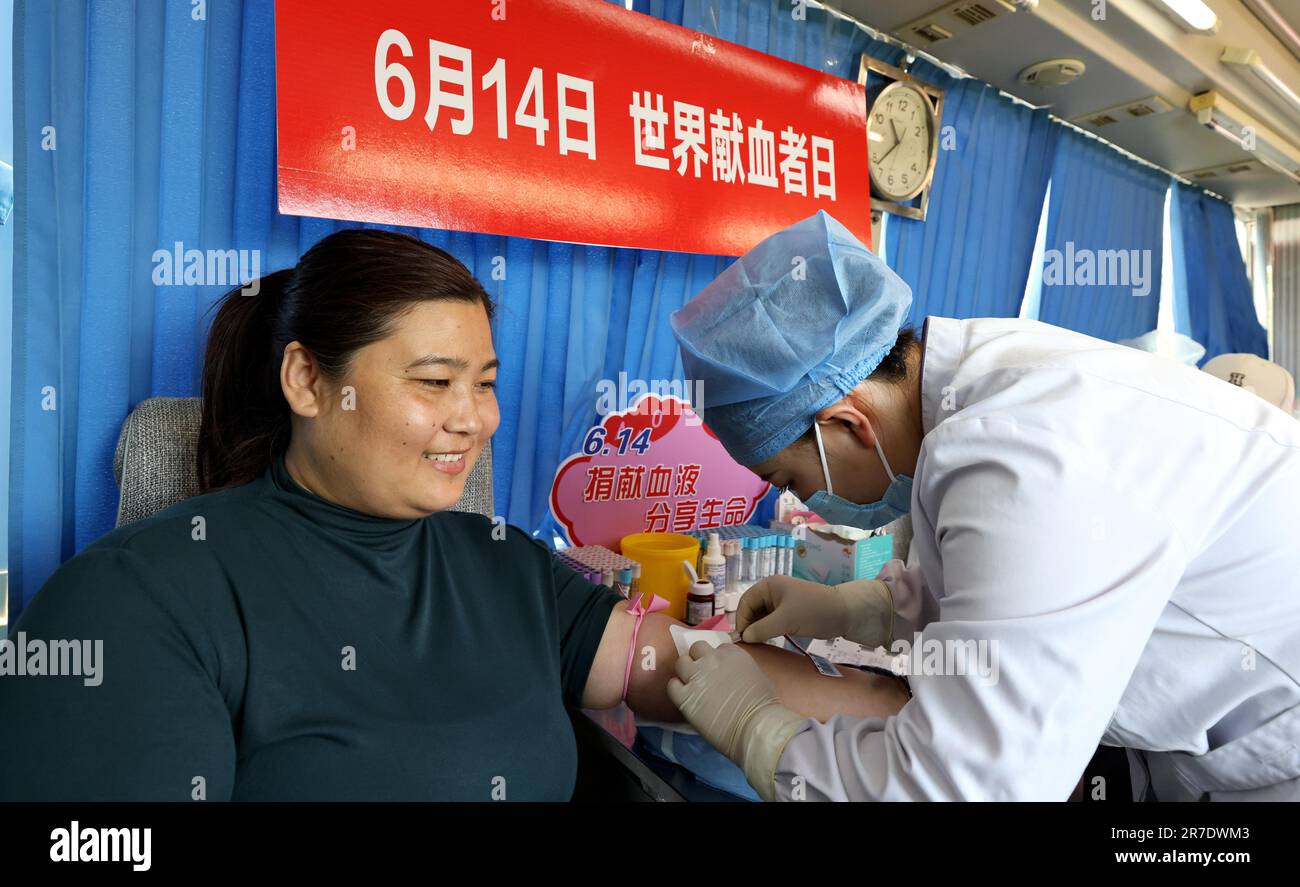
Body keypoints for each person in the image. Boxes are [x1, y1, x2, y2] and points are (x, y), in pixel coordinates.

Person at [0, 228, 906, 801]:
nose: (473, 418)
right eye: (434, 383)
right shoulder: (138, 601)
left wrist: (911, 709)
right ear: (309, 381)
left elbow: (680, 667)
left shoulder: (504, 567)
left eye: (486, 384)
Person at [665, 210, 1300, 802]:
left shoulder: (1018, 449)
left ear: (848, 424)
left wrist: (762, 733)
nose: (808, 502)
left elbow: (974, 786)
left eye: (792, 479)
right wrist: (862, 610)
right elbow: (1011, 592)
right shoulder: (984, 382)